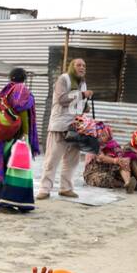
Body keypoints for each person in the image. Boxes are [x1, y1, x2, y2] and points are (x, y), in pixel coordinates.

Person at [0, 67, 39, 212]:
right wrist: (25, 135)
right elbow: (23, 112)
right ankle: (7, 204)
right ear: (24, 78)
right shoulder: (22, 90)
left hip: (3, 137)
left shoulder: (5, 91)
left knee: (5, 168)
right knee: (16, 169)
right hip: (16, 136)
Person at [38, 57, 91, 200]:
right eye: (78, 65)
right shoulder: (64, 79)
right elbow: (62, 99)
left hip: (75, 127)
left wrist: (85, 106)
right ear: (72, 67)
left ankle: (66, 188)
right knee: (52, 159)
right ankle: (44, 189)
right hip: (60, 126)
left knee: (72, 161)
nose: (82, 68)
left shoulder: (83, 83)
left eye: (84, 66)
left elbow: (78, 104)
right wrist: (81, 95)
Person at [81, 122, 133, 190]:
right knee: (106, 179)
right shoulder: (94, 145)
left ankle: (128, 183)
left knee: (123, 164)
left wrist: (122, 160)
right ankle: (124, 185)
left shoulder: (113, 144)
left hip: (108, 168)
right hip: (94, 172)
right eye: (100, 135)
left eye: (105, 134)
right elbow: (101, 158)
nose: (102, 137)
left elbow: (120, 155)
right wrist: (115, 160)